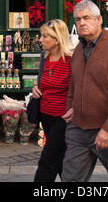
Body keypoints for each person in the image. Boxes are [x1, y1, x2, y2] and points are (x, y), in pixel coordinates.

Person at [61, 0, 108, 182]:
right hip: (79, 128)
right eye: (77, 19)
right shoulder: (79, 48)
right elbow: (74, 84)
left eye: (86, 18)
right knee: (70, 178)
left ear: (99, 19)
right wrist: (71, 107)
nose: (81, 23)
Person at [32, 19, 72, 182]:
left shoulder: (72, 59)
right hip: (45, 116)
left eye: (45, 36)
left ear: (57, 39)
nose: (40, 40)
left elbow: (79, 88)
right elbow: (42, 83)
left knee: (47, 161)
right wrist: (35, 89)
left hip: (63, 119)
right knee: (61, 160)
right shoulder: (44, 57)